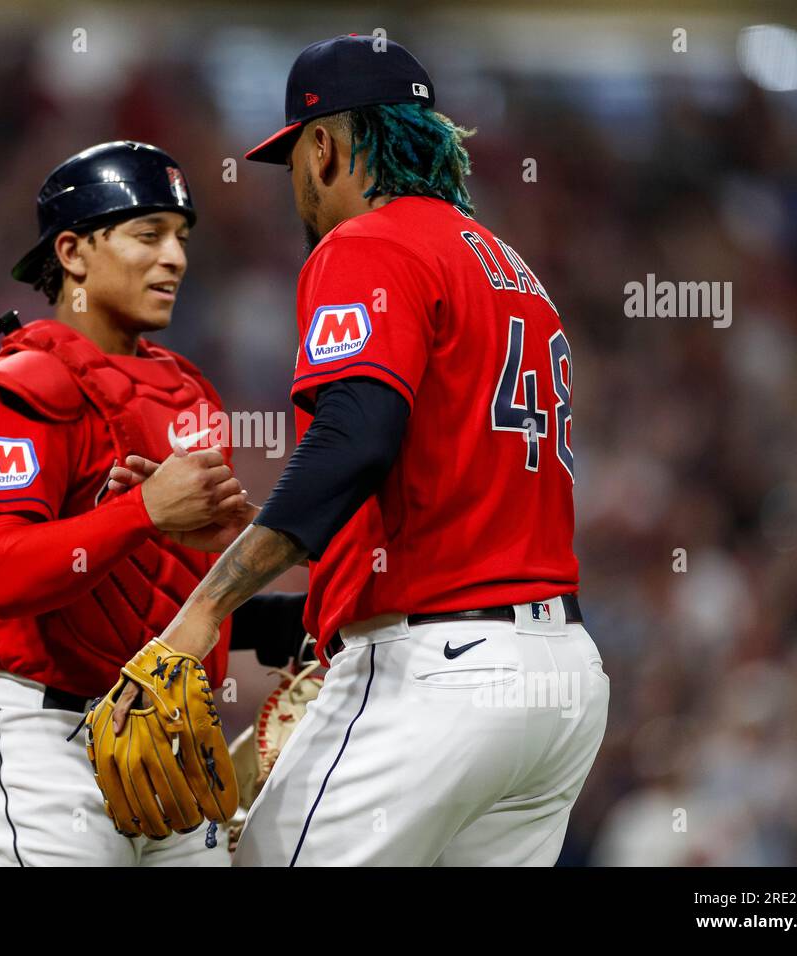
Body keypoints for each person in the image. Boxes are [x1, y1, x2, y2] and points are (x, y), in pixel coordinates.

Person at [108, 37, 609, 866]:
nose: (298, 190)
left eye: (295, 160)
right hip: (558, 685)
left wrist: (201, 617)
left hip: (436, 680)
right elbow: (439, 522)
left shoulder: (366, 243)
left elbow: (355, 438)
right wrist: (239, 596)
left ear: (325, 146)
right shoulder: (510, 268)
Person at [0, 141, 303, 867]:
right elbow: (2, 574)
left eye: (182, 238)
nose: (175, 258)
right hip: (46, 748)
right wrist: (141, 515)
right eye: (148, 234)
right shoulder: (25, 390)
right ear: (72, 252)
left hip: (169, 750)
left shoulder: (188, 395)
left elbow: (165, 603)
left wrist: (281, 606)